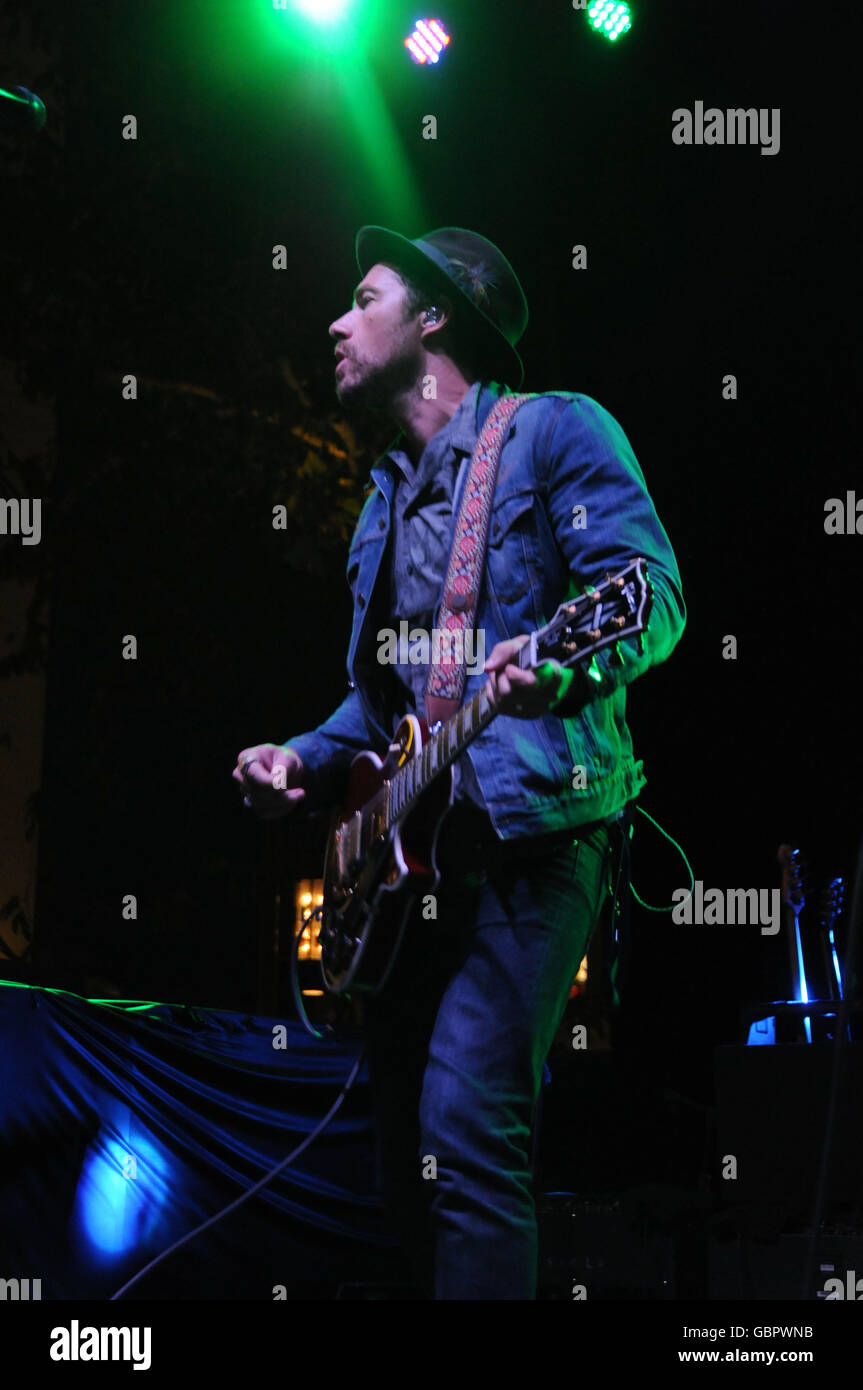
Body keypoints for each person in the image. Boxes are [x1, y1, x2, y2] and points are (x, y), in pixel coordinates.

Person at [234, 226, 686, 1299]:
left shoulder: (551, 435)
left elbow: (649, 593)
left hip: (534, 834)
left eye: (362, 296)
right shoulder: (383, 501)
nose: (336, 321)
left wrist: (563, 671)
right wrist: (301, 760)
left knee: (468, 1128)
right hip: (407, 872)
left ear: (432, 318)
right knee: (405, 1164)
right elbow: (386, 700)